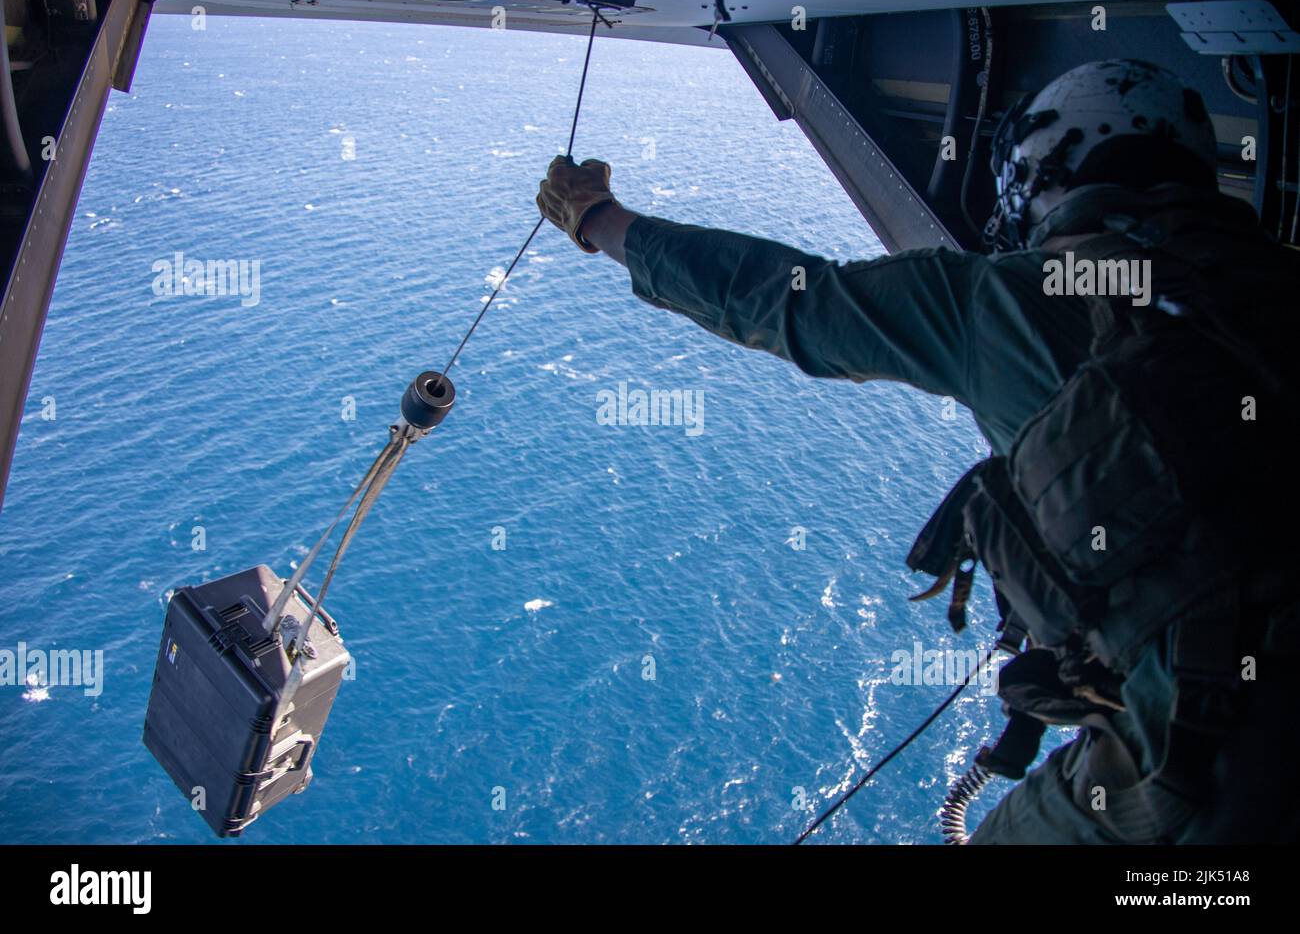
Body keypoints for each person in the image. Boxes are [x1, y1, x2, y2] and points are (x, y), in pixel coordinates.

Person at [536, 59, 1299, 843]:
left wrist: (597, 218)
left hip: (1218, 764)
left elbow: (781, 298)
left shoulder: (1001, 299)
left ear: (1046, 171)